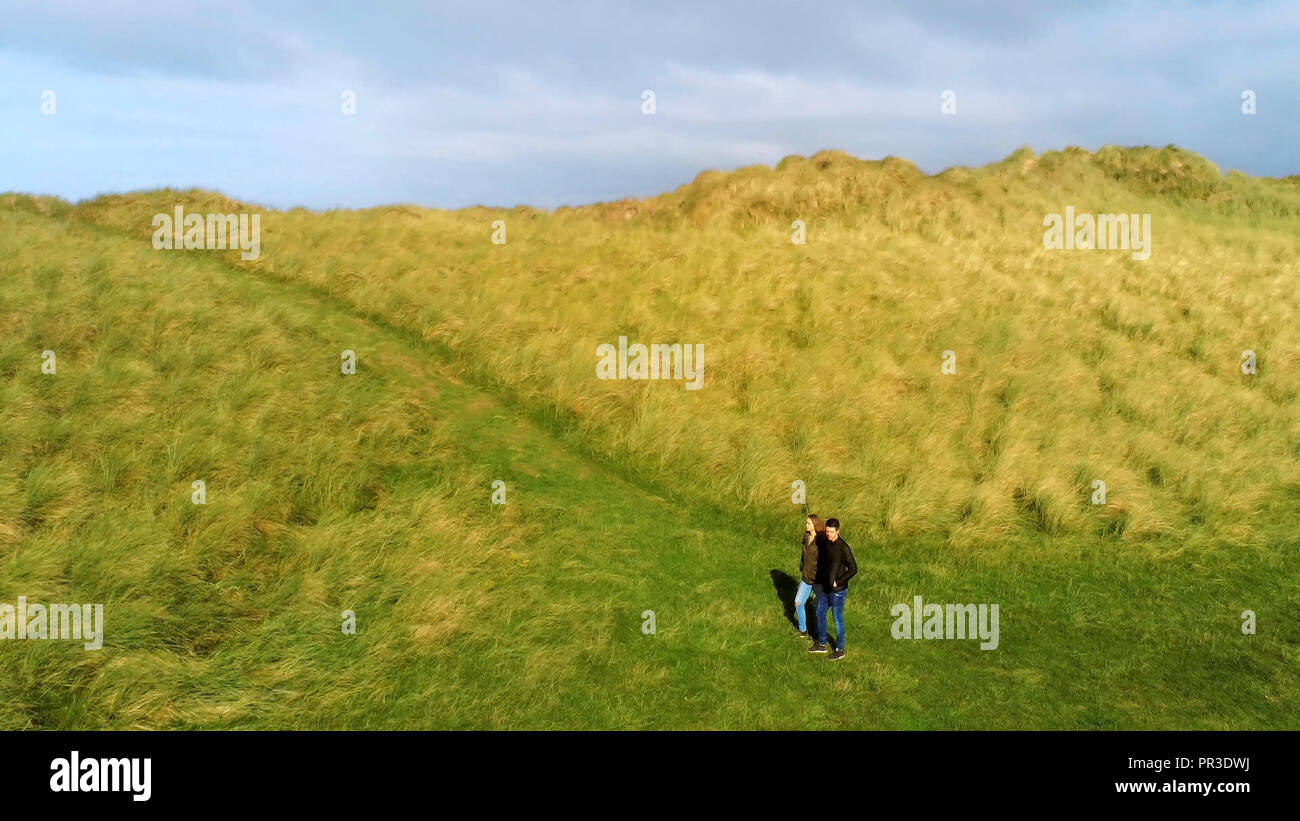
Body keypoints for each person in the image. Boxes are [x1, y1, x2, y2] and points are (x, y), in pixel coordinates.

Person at [809, 517, 856, 660]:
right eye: (827, 531)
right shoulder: (826, 543)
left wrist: (839, 581)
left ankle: (840, 650)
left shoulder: (843, 548)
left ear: (838, 531)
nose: (828, 534)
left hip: (838, 592)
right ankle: (822, 644)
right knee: (819, 613)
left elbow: (853, 569)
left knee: (837, 619)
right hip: (824, 588)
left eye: (831, 532)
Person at [794, 515, 826, 638]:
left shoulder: (821, 540)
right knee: (798, 603)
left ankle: (818, 635)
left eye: (809, 523)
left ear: (815, 525)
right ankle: (803, 630)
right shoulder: (806, 537)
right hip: (806, 577)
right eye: (806, 523)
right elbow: (803, 555)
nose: (806, 525)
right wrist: (802, 566)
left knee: (817, 608)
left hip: (818, 579)